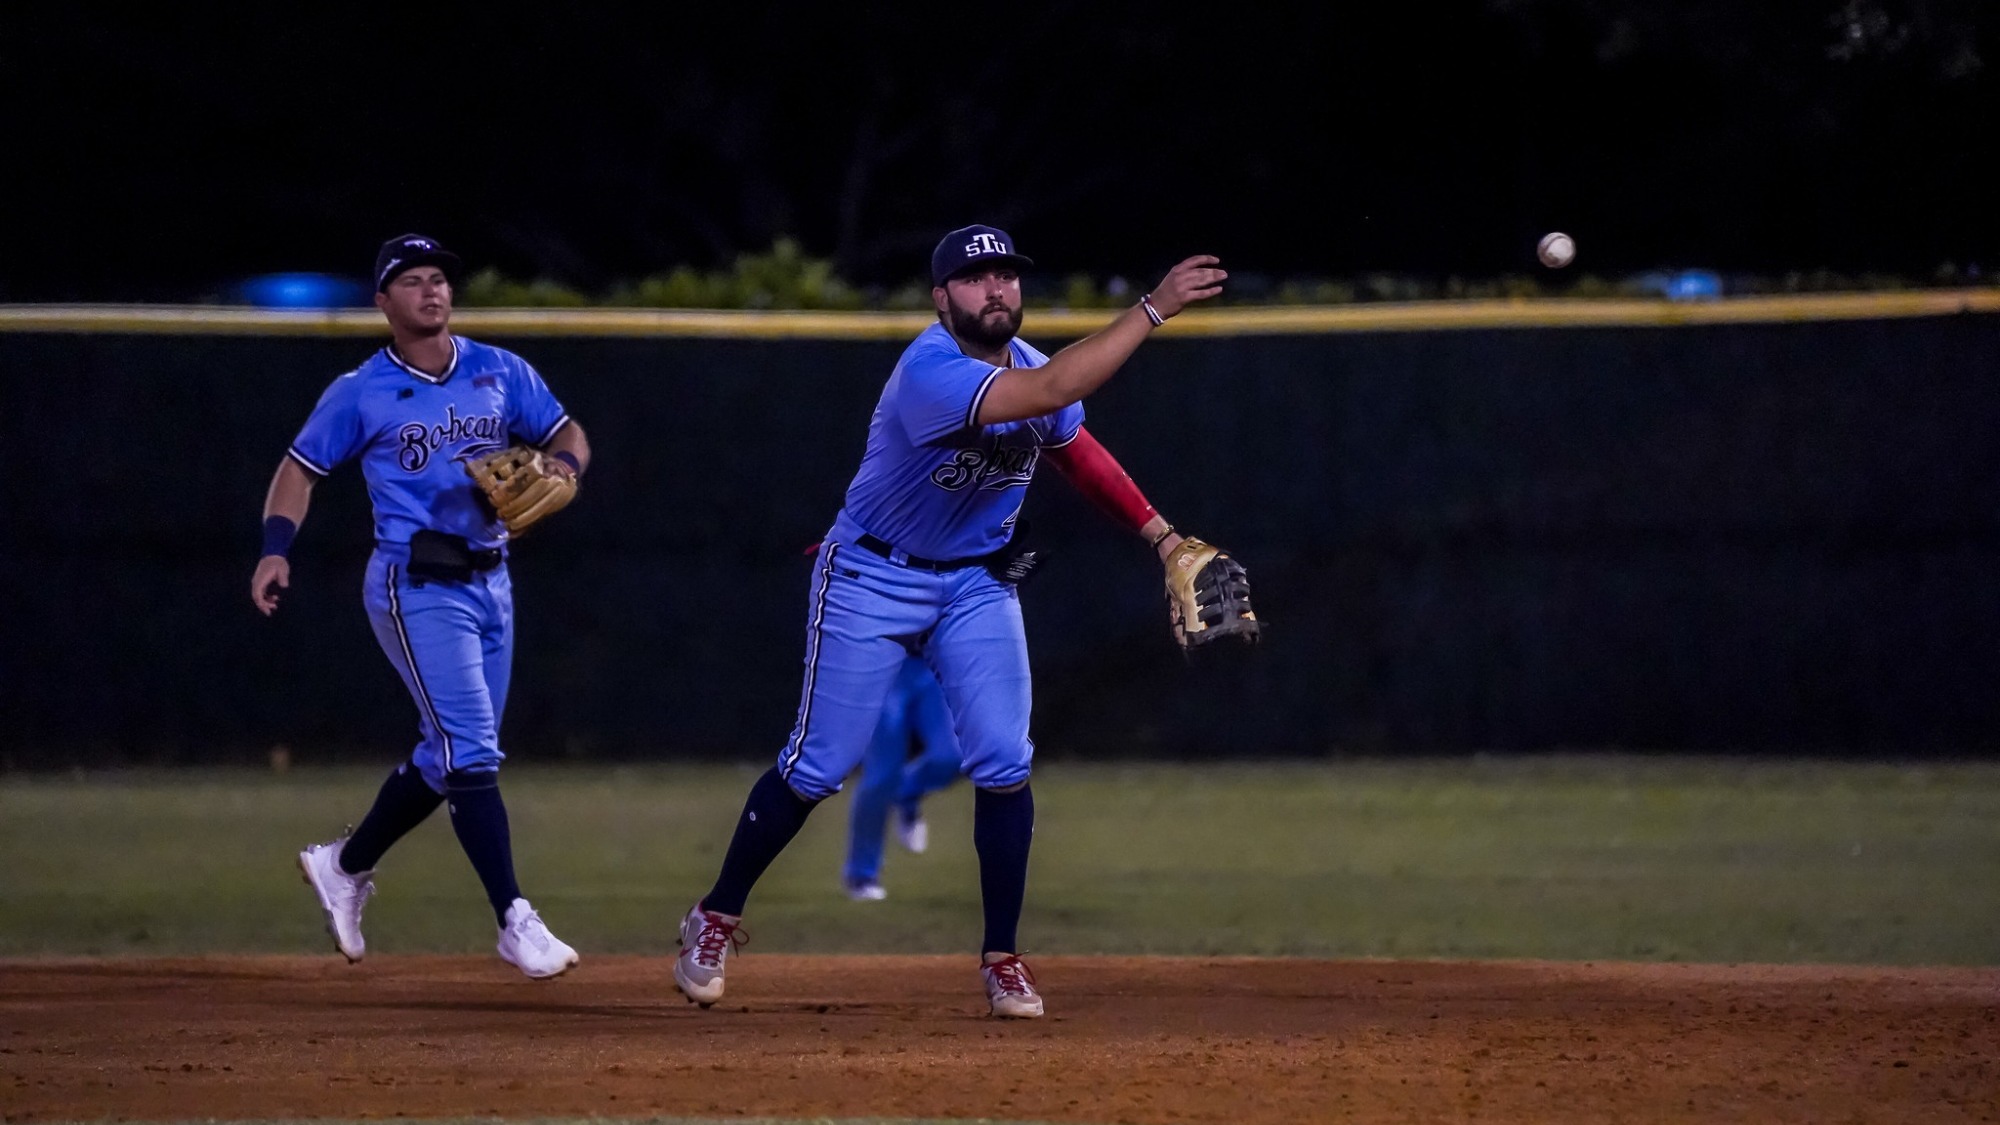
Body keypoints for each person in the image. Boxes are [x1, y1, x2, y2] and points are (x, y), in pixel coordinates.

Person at [672, 224, 1226, 1017]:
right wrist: (1152, 308)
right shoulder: (930, 369)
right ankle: (714, 914)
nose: (996, 289)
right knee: (819, 765)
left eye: (1005, 275)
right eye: (974, 278)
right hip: (869, 573)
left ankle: (1002, 958)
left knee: (1004, 758)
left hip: (974, 585)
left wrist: (1162, 535)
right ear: (941, 299)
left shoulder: (1033, 365)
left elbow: (1074, 447)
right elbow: (1047, 397)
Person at [251, 233, 590, 979]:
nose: (432, 291)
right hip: (416, 585)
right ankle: (513, 917)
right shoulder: (361, 390)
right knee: (471, 750)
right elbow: (297, 471)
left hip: (493, 579)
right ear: (383, 302)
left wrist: (562, 464)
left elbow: (568, 432)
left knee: (447, 756)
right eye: (413, 281)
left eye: (439, 279)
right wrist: (276, 547)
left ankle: (344, 864)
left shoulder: (499, 370)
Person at [841, 655, 964, 901]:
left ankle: (906, 796)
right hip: (880, 668)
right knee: (881, 776)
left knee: (955, 755)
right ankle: (862, 874)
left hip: (934, 666)